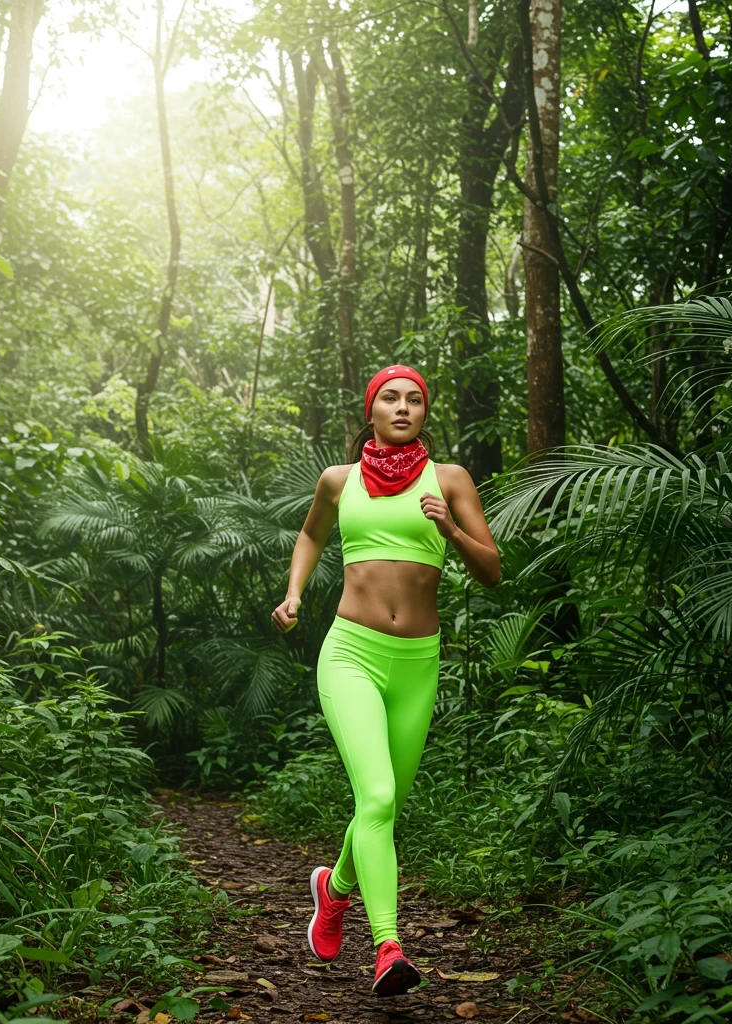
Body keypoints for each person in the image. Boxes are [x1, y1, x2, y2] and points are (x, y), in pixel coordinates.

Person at [271, 364, 501, 997]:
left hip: (417, 663)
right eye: (390, 398)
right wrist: (293, 594)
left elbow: (493, 570)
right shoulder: (337, 481)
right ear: (370, 410)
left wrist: (449, 529)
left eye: (415, 400)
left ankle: (333, 889)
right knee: (375, 798)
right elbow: (310, 535)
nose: (403, 408)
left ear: (426, 413)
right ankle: (388, 947)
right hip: (351, 654)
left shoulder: (449, 481)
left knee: (386, 806)